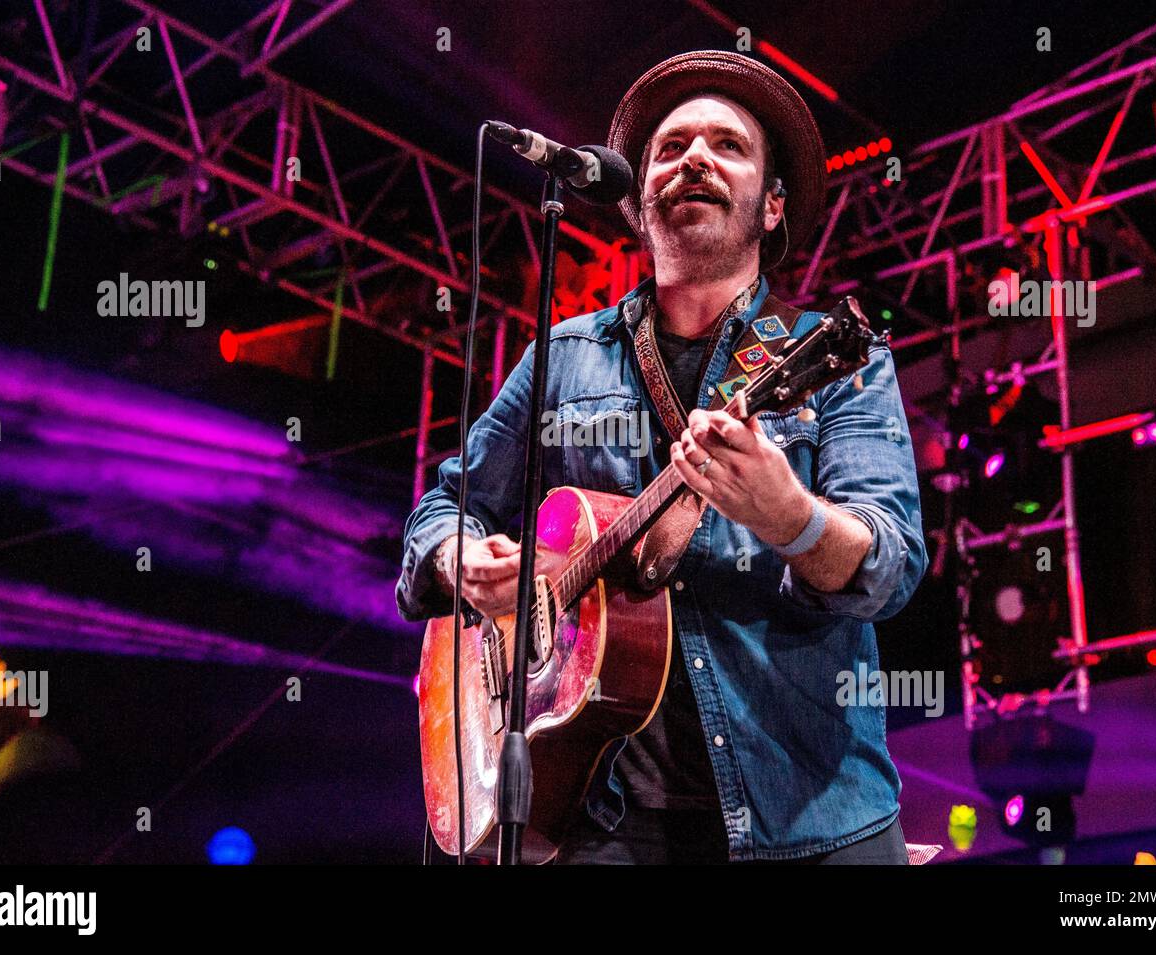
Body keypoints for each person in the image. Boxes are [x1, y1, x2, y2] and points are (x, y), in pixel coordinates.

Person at [397, 51, 927, 864]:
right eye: (672, 148)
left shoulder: (834, 357)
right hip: (597, 815)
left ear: (773, 206)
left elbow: (889, 563)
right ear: (639, 205)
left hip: (808, 814)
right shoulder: (560, 361)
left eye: (728, 145)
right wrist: (459, 555)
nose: (696, 159)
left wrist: (792, 519)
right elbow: (443, 506)